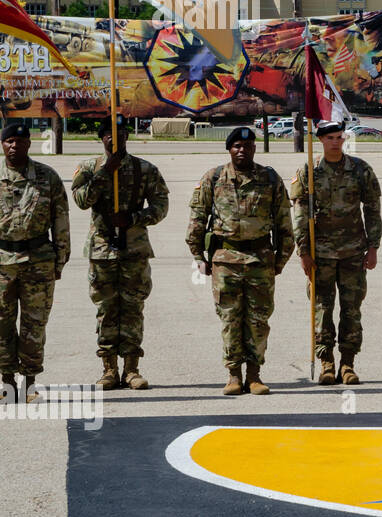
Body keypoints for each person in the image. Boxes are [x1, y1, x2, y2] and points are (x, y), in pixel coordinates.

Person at [187, 127, 293, 395]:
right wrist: (199, 256)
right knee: (230, 318)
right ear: (229, 149)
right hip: (225, 260)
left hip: (260, 259)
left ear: (255, 148)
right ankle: (234, 374)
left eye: (247, 145)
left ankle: (254, 375)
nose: (242, 149)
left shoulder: (270, 178)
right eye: (236, 145)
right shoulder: (213, 178)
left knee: (258, 320)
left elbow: (284, 224)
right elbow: (198, 220)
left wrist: (279, 261)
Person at [71, 115, 168, 391]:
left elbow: (161, 206)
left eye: (122, 133)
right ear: (102, 138)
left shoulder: (144, 169)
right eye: (111, 134)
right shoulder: (89, 168)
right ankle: (109, 369)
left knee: (133, 309)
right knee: (106, 311)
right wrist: (105, 173)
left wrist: (135, 217)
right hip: (102, 251)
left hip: (134, 250)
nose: (117, 138)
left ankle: (132, 369)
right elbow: (80, 200)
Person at [290, 120, 382, 385]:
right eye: (330, 137)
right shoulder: (309, 170)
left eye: (339, 137)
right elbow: (300, 214)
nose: (335, 142)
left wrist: (373, 247)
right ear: (320, 140)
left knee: (352, 310)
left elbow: (373, 209)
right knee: (322, 309)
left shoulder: (360, 169)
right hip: (321, 254)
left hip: (353, 252)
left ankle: (348, 364)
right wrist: (303, 251)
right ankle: (326, 361)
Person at [0, 122, 70, 404]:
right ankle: (6, 383)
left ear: (29, 143)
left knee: (34, 325)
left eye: (20, 141)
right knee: (2, 324)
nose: (15, 146)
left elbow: (61, 220)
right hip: (2, 261)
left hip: (38, 260)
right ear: (3, 145)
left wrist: (60, 260)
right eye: (9, 142)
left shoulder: (47, 177)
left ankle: (29, 383)